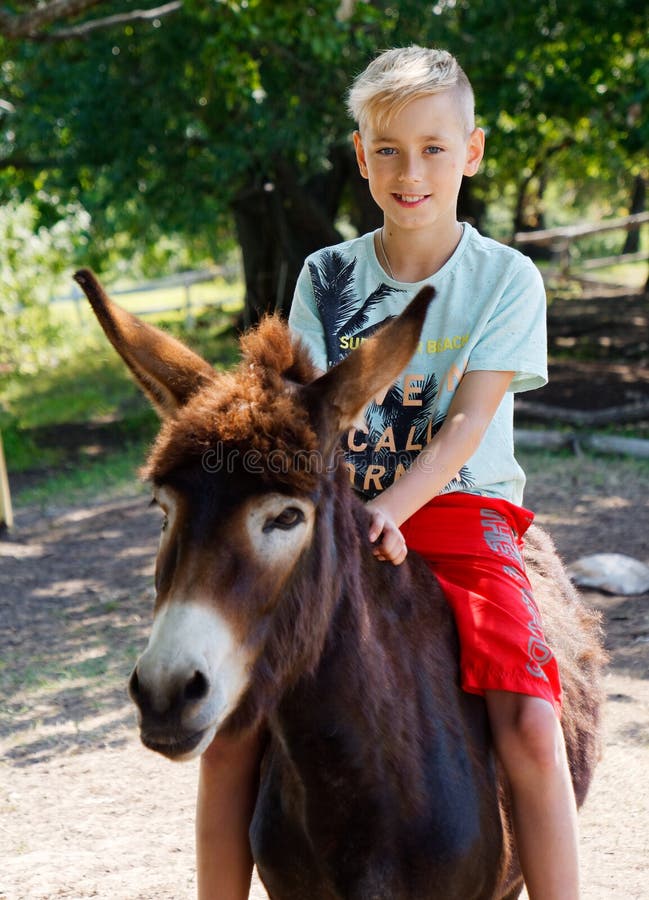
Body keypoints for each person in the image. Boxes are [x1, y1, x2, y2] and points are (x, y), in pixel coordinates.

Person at [196, 45, 579, 900]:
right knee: (232, 727)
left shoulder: (505, 280)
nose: (412, 171)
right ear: (363, 156)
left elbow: (463, 430)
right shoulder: (325, 277)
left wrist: (389, 513)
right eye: (390, 150)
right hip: (337, 518)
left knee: (527, 721)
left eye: (434, 148)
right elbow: (299, 418)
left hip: (459, 511)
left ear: (470, 153)